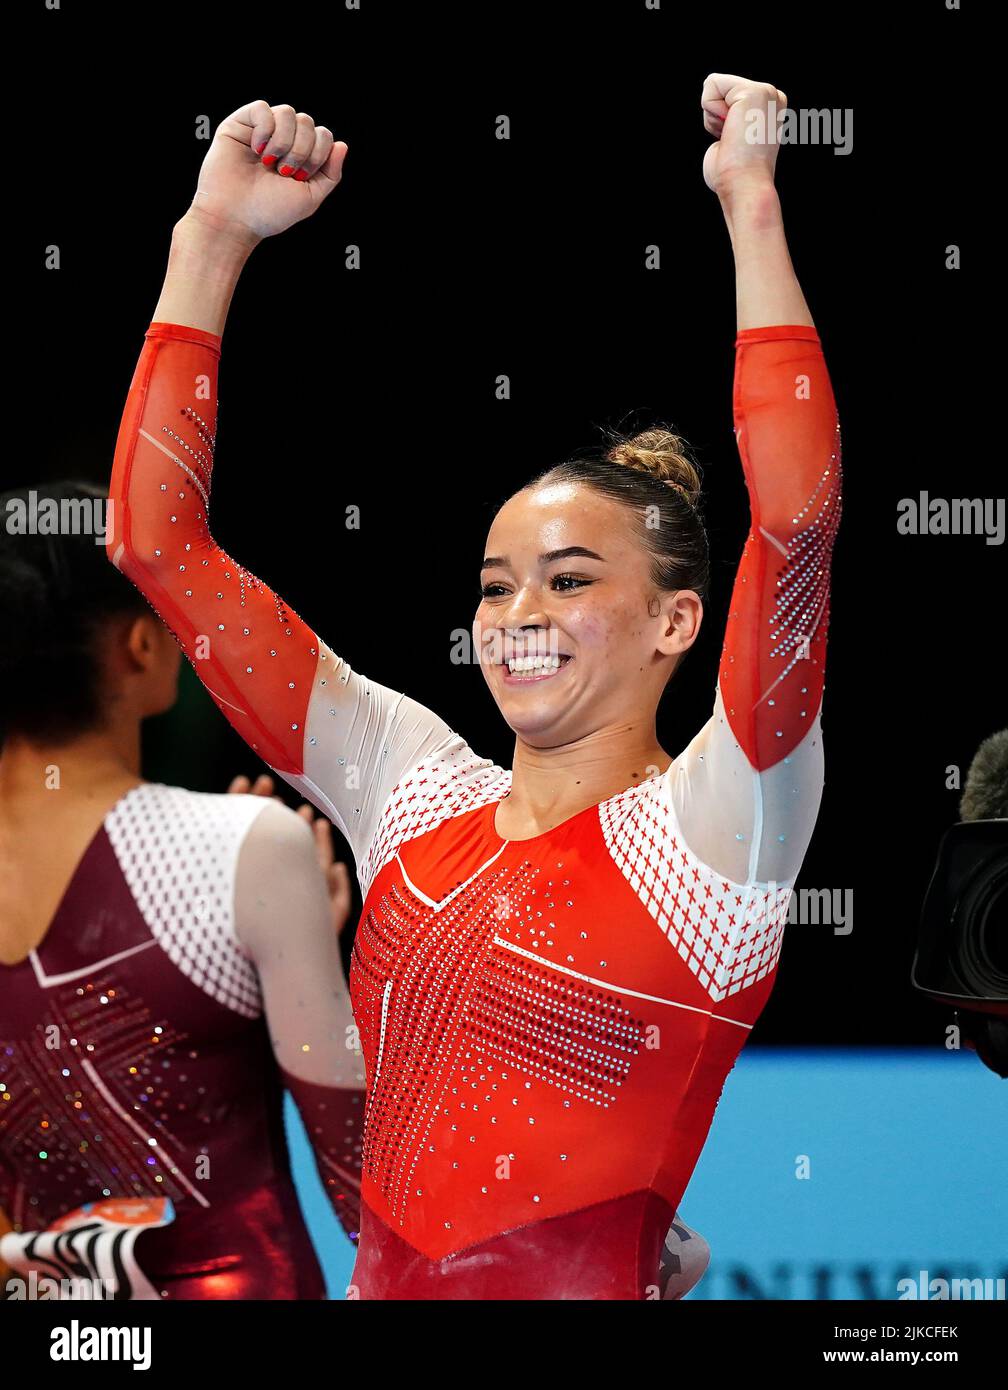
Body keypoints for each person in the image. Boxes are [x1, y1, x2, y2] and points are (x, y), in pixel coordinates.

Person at [107, 73, 840, 1299]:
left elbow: (799, 525)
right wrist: (212, 240)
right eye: (496, 586)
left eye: (565, 581)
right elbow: (158, 546)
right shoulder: (412, 791)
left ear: (677, 619)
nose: (517, 620)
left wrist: (750, 206)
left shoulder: (720, 834)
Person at [0, 483, 365, 1299]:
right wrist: (310, 949)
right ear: (139, 644)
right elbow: (361, 1177)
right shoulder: (247, 845)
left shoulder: (234, 854)